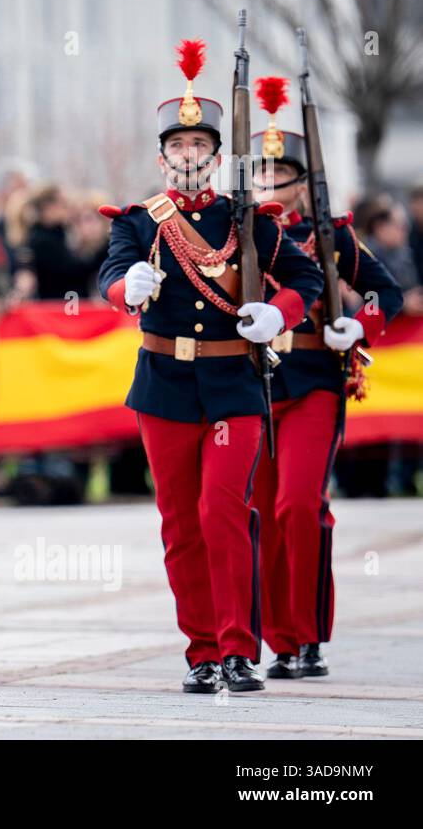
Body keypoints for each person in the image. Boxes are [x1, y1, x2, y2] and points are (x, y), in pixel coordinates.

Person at [96, 39, 323, 694]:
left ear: (219, 157)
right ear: (162, 156)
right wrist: (125, 290)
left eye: (200, 147)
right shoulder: (140, 222)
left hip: (232, 386)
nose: (189, 157)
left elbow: (304, 276)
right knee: (180, 523)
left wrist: (278, 312)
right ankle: (200, 650)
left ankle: (236, 648)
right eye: (178, 147)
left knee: (224, 510)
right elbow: (110, 274)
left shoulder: (248, 220)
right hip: (164, 385)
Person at [248, 76, 403, 680]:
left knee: (298, 505)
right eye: (258, 177)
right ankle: (280, 640)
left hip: (313, 376)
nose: (267, 186)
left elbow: (384, 292)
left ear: (301, 182)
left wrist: (357, 327)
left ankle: (309, 636)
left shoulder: (330, 236)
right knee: (260, 510)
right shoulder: (239, 234)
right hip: (252, 385)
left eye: (277, 176)